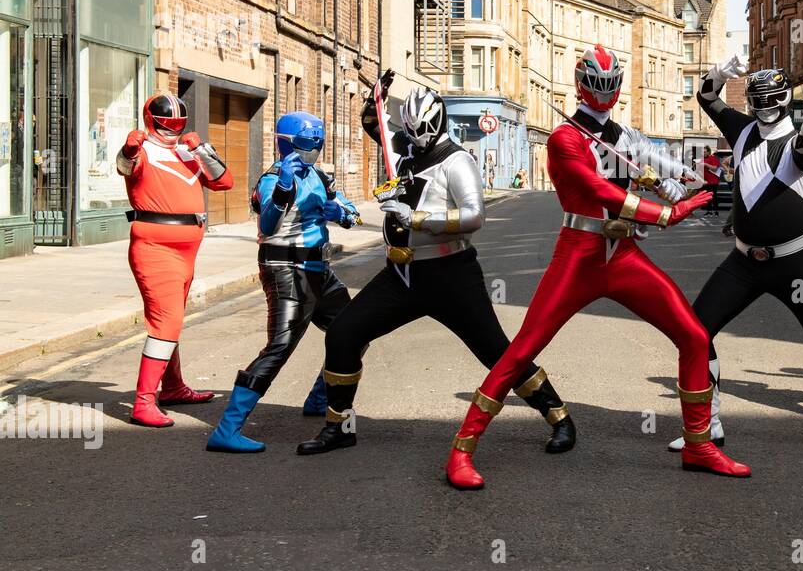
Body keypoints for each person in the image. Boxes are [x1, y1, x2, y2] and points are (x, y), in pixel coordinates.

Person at [443, 45, 746, 489]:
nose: (604, 94)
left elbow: (670, 173)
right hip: (580, 255)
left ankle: (699, 444)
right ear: (584, 86)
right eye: (598, 86)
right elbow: (598, 190)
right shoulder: (565, 138)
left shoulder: (627, 138)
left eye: (610, 86)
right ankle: (461, 449)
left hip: (621, 255)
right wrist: (665, 213)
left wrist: (698, 179)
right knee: (522, 350)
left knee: (694, 336)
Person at [298, 75, 576, 456]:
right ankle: (339, 426)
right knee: (344, 333)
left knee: (495, 350)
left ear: (438, 123)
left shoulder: (457, 160)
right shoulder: (407, 149)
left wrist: (416, 218)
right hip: (402, 274)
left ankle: (558, 416)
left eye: (422, 132)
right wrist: (373, 99)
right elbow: (376, 125)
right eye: (412, 134)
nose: (416, 140)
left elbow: (474, 217)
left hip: (450, 275)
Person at [665, 57, 803, 459]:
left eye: (771, 100)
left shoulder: (795, 141)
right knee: (695, 332)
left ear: (786, 100)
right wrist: (720, 72)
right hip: (743, 262)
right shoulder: (742, 130)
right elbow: (705, 97)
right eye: (758, 101)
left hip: (795, 263)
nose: (764, 108)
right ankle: (706, 423)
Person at [206, 112, 360, 453]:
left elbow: (351, 214)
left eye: (318, 142)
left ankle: (322, 397)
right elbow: (269, 224)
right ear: (288, 142)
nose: (314, 149)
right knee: (280, 346)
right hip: (287, 269)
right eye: (308, 142)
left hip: (320, 270)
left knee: (354, 331)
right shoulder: (273, 178)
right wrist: (283, 191)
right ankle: (227, 428)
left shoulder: (319, 176)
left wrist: (340, 211)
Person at [116, 94, 234, 427]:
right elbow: (125, 167)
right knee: (167, 321)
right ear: (151, 120)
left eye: (178, 124)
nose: (172, 129)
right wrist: (128, 149)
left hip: (188, 249)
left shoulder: (187, 152)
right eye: (167, 124)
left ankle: (173, 386)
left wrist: (201, 151)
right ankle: (142, 403)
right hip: (154, 246)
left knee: (173, 320)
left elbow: (224, 182)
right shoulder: (142, 151)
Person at [701, 146, 722, 216]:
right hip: (706, 181)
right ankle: (709, 211)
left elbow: (715, 168)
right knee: (707, 196)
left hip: (713, 181)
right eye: (702, 152)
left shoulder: (713, 158)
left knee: (713, 196)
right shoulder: (702, 159)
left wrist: (705, 164)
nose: (703, 153)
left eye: (705, 152)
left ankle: (716, 211)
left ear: (708, 152)